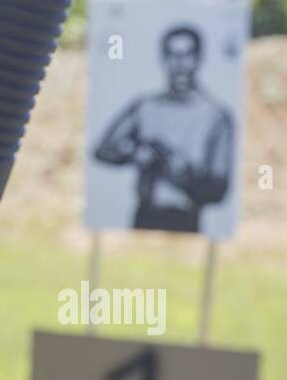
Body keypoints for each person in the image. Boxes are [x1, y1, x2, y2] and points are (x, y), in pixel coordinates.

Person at [93, 25, 233, 233]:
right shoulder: (146, 107)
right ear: (164, 59)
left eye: (187, 55)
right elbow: (104, 149)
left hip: (186, 219)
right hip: (145, 215)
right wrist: (134, 153)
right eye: (172, 55)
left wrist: (185, 176)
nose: (180, 64)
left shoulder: (215, 117)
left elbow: (219, 188)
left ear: (198, 58)